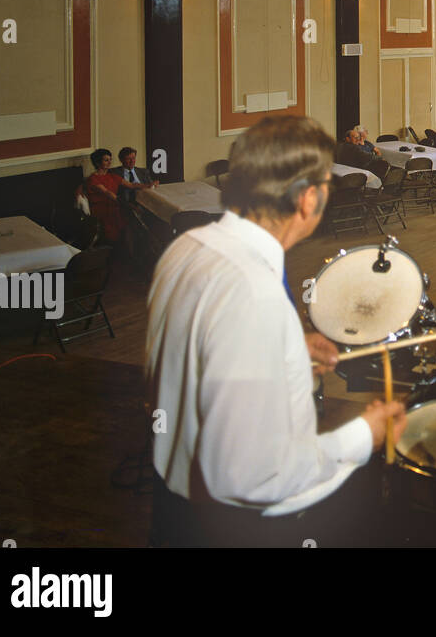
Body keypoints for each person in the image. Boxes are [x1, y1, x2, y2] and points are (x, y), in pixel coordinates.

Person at [146, 116, 407, 547]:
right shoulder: (256, 293)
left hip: (174, 510)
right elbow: (252, 476)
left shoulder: (186, 248)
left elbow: (202, 352)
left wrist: (285, 353)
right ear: (308, 200)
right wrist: (365, 434)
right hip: (241, 529)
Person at [83, 148, 153, 243]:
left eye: (110, 160)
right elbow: (108, 194)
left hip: (115, 206)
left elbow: (131, 185)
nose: (109, 162)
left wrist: (149, 185)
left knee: (137, 220)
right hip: (104, 210)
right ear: (98, 163)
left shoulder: (111, 176)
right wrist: (130, 206)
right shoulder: (93, 179)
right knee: (131, 220)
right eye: (106, 160)